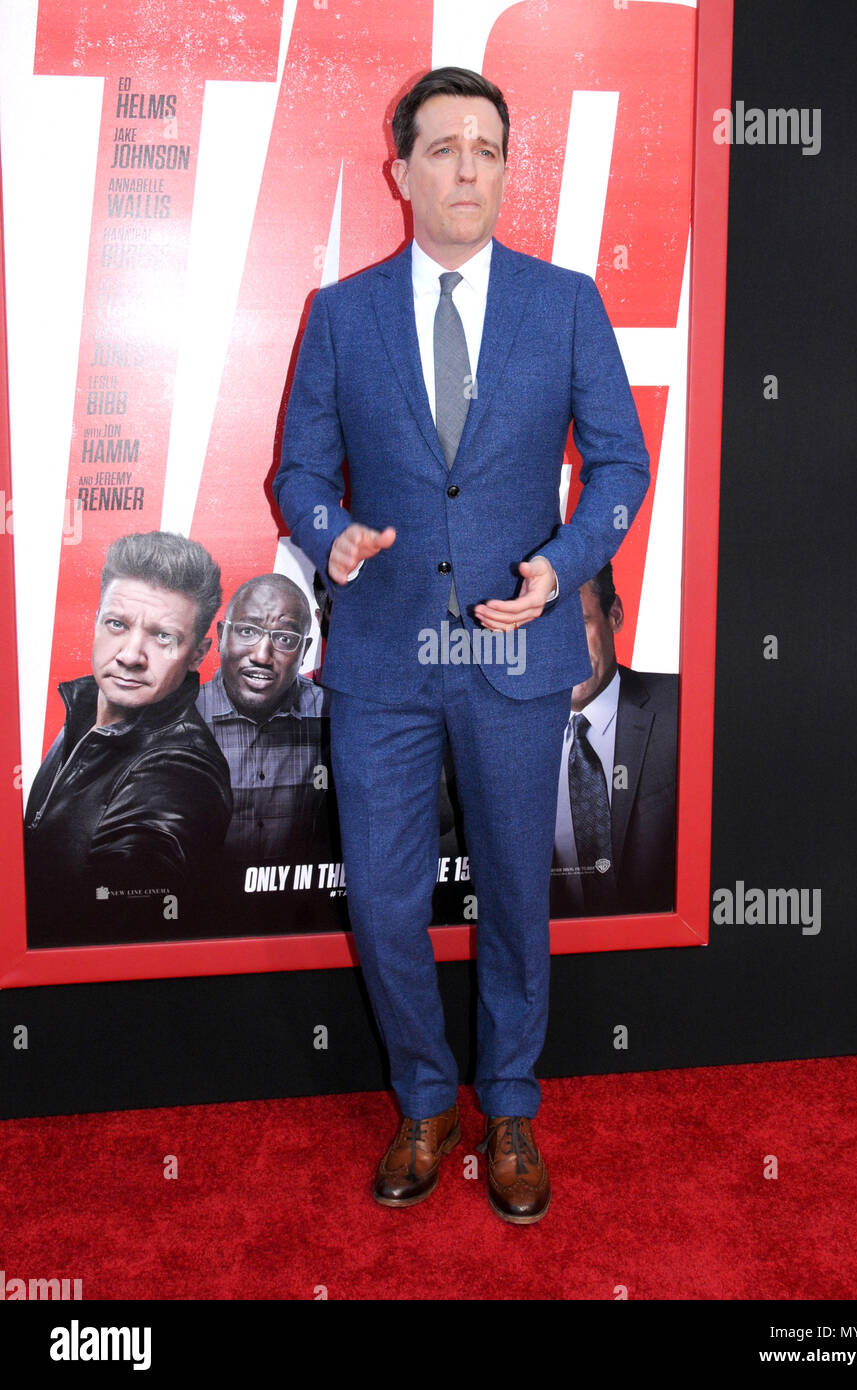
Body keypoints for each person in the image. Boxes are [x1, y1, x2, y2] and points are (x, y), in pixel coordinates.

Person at [274, 67, 649, 1222]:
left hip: (515, 649)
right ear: (400, 172)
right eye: (442, 149)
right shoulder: (340, 313)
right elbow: (296, 471)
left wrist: (560, 563)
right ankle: (425, 1101)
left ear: (504, 166)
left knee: (512, 899)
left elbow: (620, 465)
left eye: (485, 148)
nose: (467, 169)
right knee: (385, 905)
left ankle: (514, 1108)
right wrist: (329, 540)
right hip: (383, 654)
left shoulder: (565, 301)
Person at [24, 531, 232, 947]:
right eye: (117, 624)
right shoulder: (87, 710)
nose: (131, 655)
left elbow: (119, 919)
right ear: (97, 619)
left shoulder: (178, 774)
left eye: (162, 637)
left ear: (198, 653)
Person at [552, 564, 678, 919]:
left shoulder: (682, 708)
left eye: (580, 624)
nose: (562, 651)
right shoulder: (500, 742)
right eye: (545, 632)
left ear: (615, 616)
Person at [195, 573, 333, 869]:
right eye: (246, 631)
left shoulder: (331, 715)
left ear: (304, 651)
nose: (261, 655)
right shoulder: (179, 716)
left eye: (285, 638)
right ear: (221, 636)